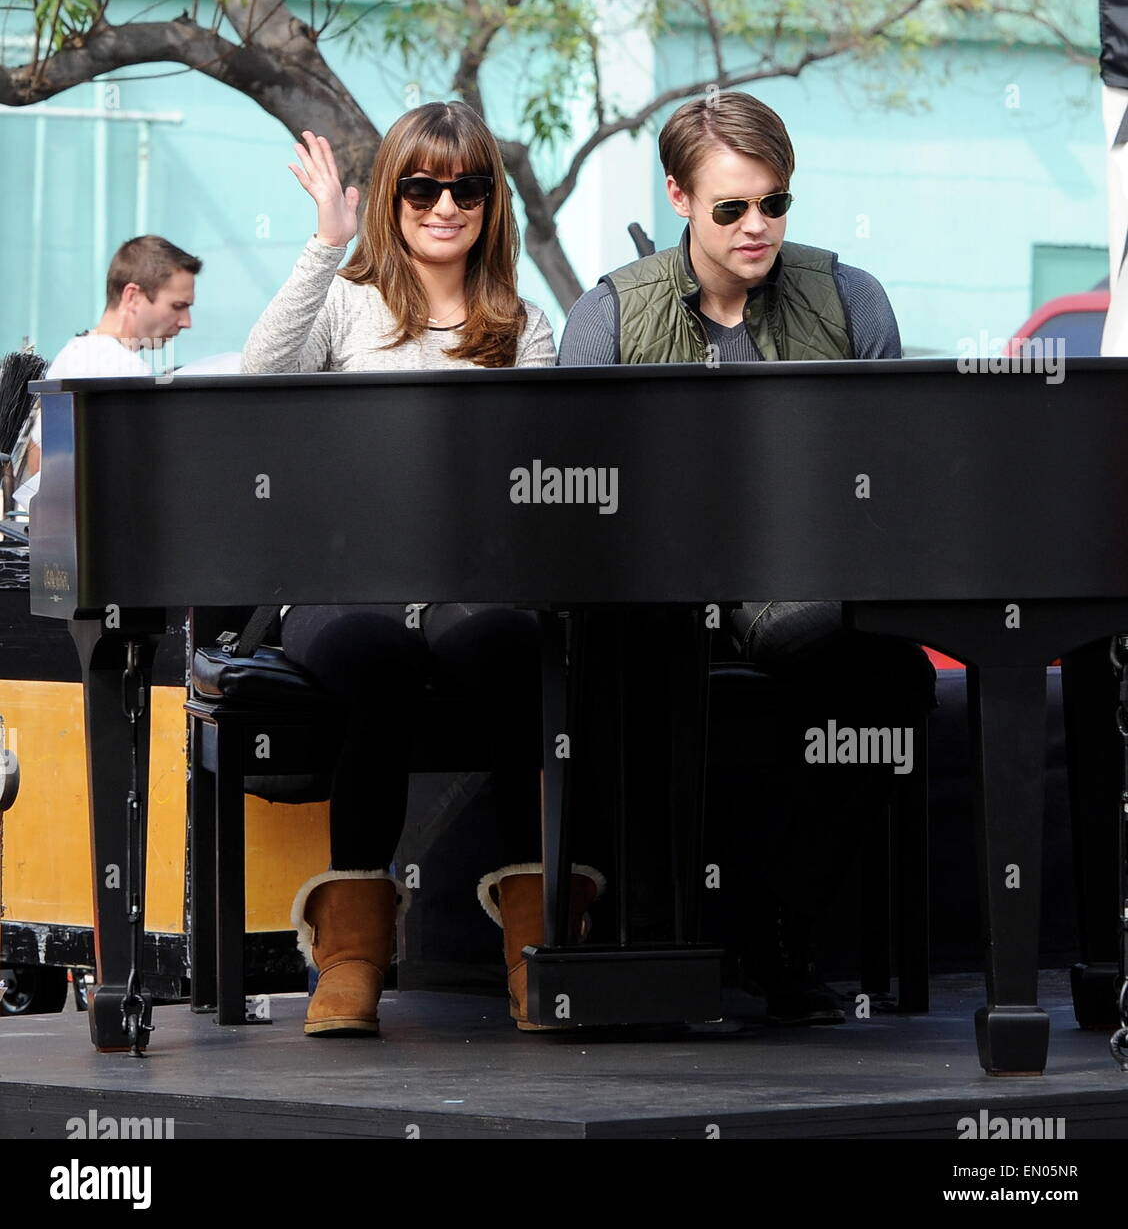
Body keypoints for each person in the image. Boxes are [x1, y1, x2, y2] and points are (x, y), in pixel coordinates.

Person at [559, 91, 936, 1024]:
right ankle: (651, 942)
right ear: (680, 198)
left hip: (807, 586)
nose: (757, 226)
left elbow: (889, 465)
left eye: (775, 203)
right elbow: (569, 487)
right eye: (732, 208)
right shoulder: (610, 314)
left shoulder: (851, 297)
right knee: (628, 654)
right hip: (657, 591)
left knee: (891, 680)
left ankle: (777, 923)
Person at [240, 102, 603, 1037]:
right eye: (423, 187)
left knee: (504, 640)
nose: (446, 205)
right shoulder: (348, 297)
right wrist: (325, 243)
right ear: (393, 195)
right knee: (372, 654)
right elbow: (260, 380)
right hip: (341, 577)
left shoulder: (521, 325)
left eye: (467, 188)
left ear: (490, 203)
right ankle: (354, 954)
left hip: (467, 574)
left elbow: (535, 477)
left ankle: (538, 941)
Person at [11, 236, 200, 509]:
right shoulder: (121, 369)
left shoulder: (76, 352)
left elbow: (40, 460)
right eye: (178, 306)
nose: (186, 322)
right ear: (132, 296)